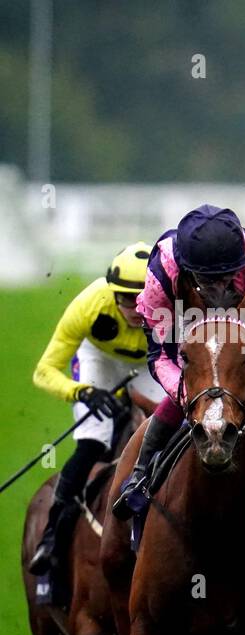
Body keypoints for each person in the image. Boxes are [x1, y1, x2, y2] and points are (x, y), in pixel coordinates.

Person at [111, 204, 245, 523]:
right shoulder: (162, 272)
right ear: (187, 268)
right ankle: (141, 478)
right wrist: (188, 393)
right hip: (185, 319)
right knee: (185, 392)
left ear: (239, 264)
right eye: (206, 279)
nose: (215, 289)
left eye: (223, 278)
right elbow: (159, 354)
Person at [28, 243, 164, 579]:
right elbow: (44, 371)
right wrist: (82, 391)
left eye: (142, 297)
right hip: (98, 360)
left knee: (171, 437)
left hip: (150, 365)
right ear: (110, 291)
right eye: (125, 298)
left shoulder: (175, 307)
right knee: (92, 444)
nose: (134, 308)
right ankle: (52, 537)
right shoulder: (88, 306)